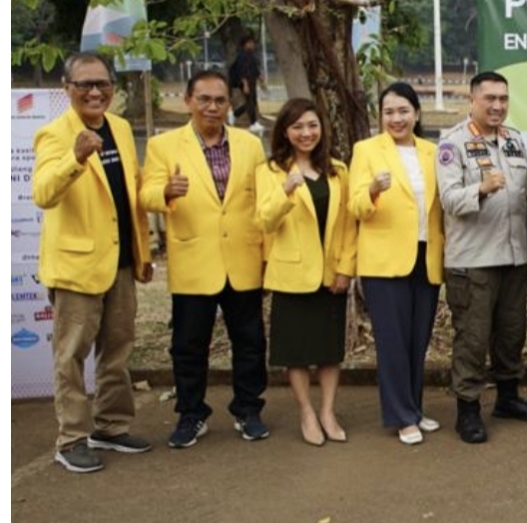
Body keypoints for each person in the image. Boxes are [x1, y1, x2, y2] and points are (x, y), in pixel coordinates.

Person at [32, 52, 155, 472]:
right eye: (84, 84)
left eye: (102, 83)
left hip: (120, 262)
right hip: (76, 268)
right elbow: (43, 194)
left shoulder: (120, 128)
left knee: (117, 350)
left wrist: (142, 253)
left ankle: (111, 426)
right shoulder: (54, 135)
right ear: (66, 88)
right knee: (70, 357)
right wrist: (76, 158)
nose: (94, 92)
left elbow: (130, 194)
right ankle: (71, 439)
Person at [141, 68, 268, 447]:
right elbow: (145, 194)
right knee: (188, 345)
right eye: (204, 100)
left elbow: (262, 199)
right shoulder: (164, 146)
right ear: (188, 101)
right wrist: (165, 191)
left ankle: (248, 410)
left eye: (220, 100)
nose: (212, 107)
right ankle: (191, 414)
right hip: (193, 259)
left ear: (229, 104)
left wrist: (266, 253)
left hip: (243, 258)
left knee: (250, 342)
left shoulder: (250, 144)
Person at [435, 71, 527, 444]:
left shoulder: (513, 139)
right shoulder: (452, 143)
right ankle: (467, 409)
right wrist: (480, 189)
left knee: (512, 332)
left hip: (513, 257)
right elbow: (449, 200)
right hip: (474, 261)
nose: (498, 106)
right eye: (490, 99)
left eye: (503, 99)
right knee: (473, 338)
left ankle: (508, 398)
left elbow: (524, 201)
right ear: (472, 100)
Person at [348, 81, 444, 445]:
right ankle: (401, 416)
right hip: (384, 262)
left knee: (418, 339)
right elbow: (355, 206)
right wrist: (372, 190)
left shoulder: (432, 151)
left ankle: (414, 408)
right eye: (388, 112)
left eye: (403, 111)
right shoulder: (367, 150)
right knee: (392, 342)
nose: (396, 118)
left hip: (426, 257)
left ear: (416, 114)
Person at [255, 97, 354, 446]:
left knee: (329, 350)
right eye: (297, 126)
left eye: (312, 125)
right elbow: (264, 221)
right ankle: (306, 412)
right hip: (292, 275)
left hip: (330, 275)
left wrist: (345, 269)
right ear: (285, 131)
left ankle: (327, 411)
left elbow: (348, 225)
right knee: (295, 351)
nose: (306, 133)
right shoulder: (271, 171)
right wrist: (286, 190)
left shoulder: (337, 170)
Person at [228, 33, 262, 131]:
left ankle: (235, 114)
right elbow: (241, 71)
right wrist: (245, 84)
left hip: (252, 81)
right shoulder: (241, 56)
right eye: (250, 43)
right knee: (250, 101)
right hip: (245, 82)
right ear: (245, 44)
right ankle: (253, 123)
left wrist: (260, 77)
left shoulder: (251, 55)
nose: (252, 45)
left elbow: (254, 68)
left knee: (252, 102)